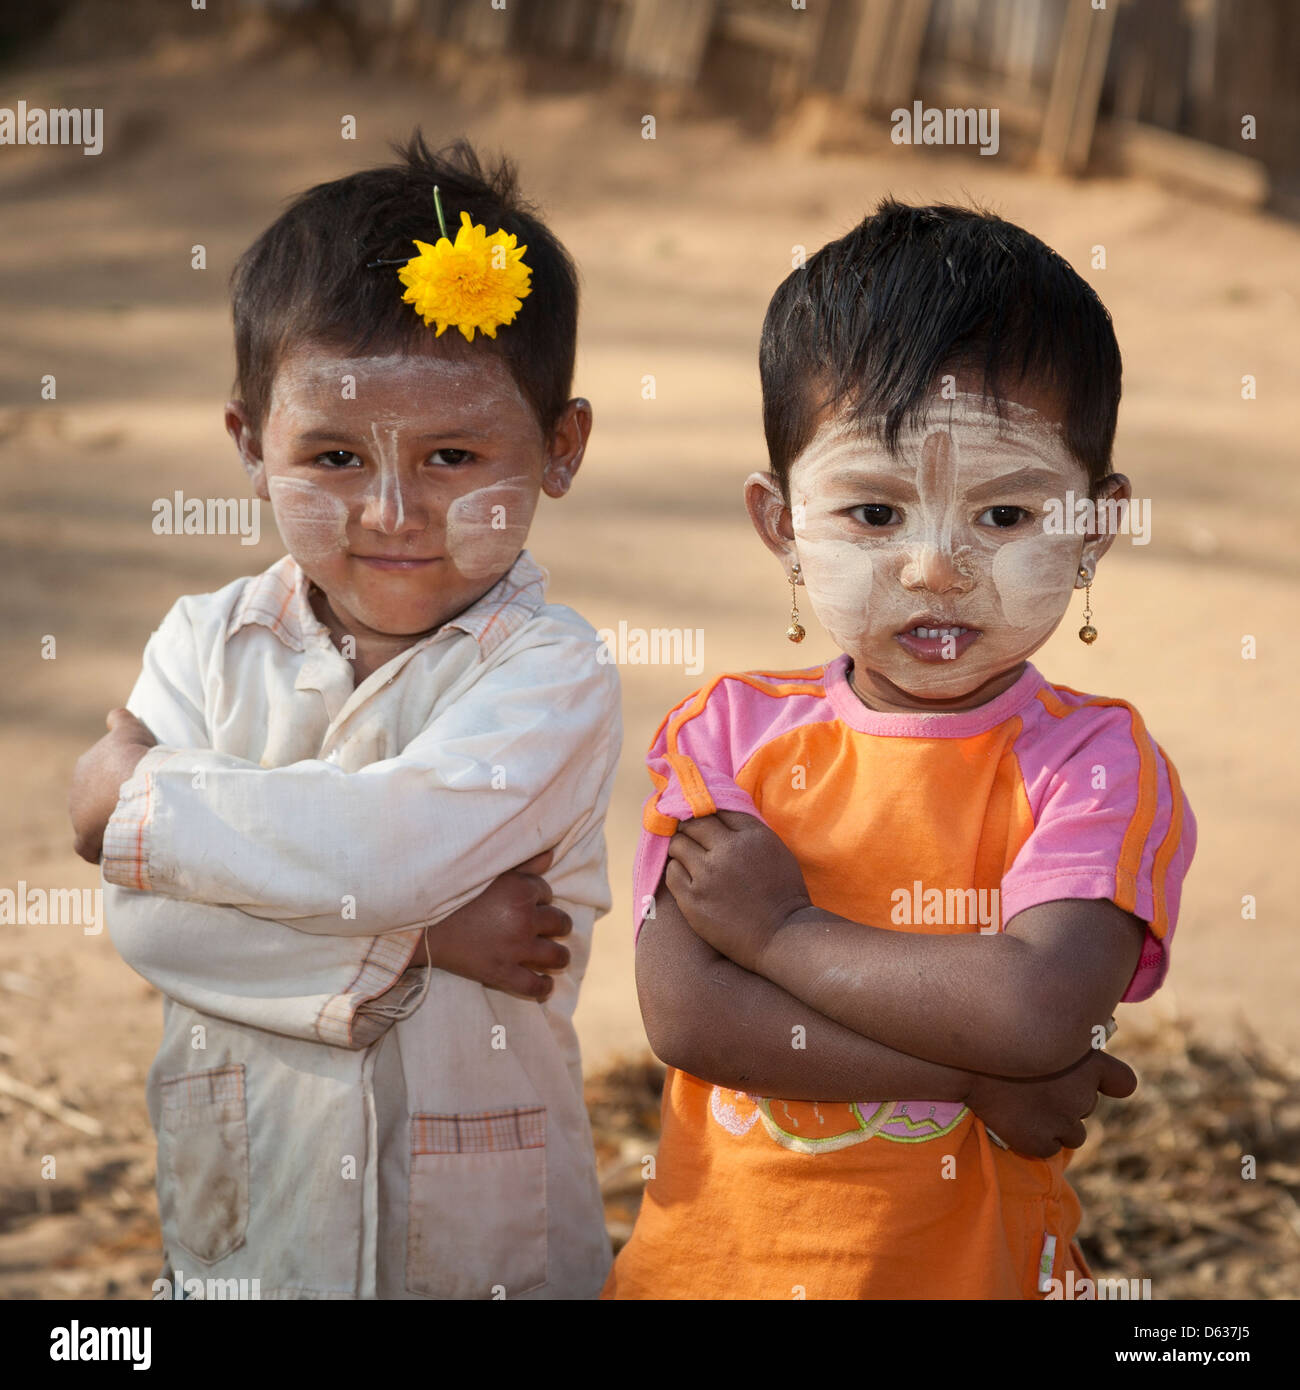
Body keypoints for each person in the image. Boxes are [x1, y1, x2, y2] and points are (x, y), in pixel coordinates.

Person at [604, 199, 1196, 1300]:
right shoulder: (724, 733)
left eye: (1005, 517)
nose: (935, 568)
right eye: (873, 514)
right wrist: (973, 1074)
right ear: (781, 524)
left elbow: (1036, 1009)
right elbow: (691, 1016)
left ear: (1094, 529)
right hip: (706, 1274)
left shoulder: (1098, 765)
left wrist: (777, 928)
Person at [68, 134, 621, 1299]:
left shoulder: (550, 676)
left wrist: (147, 799)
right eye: (329, 454)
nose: (389, 512)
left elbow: (397, 843)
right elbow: (150, 927)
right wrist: (418, 940)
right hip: (248, 1231)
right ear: (248, 449)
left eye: (453, 455)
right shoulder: (202, 645)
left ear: (559, 449)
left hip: (479, 1248)